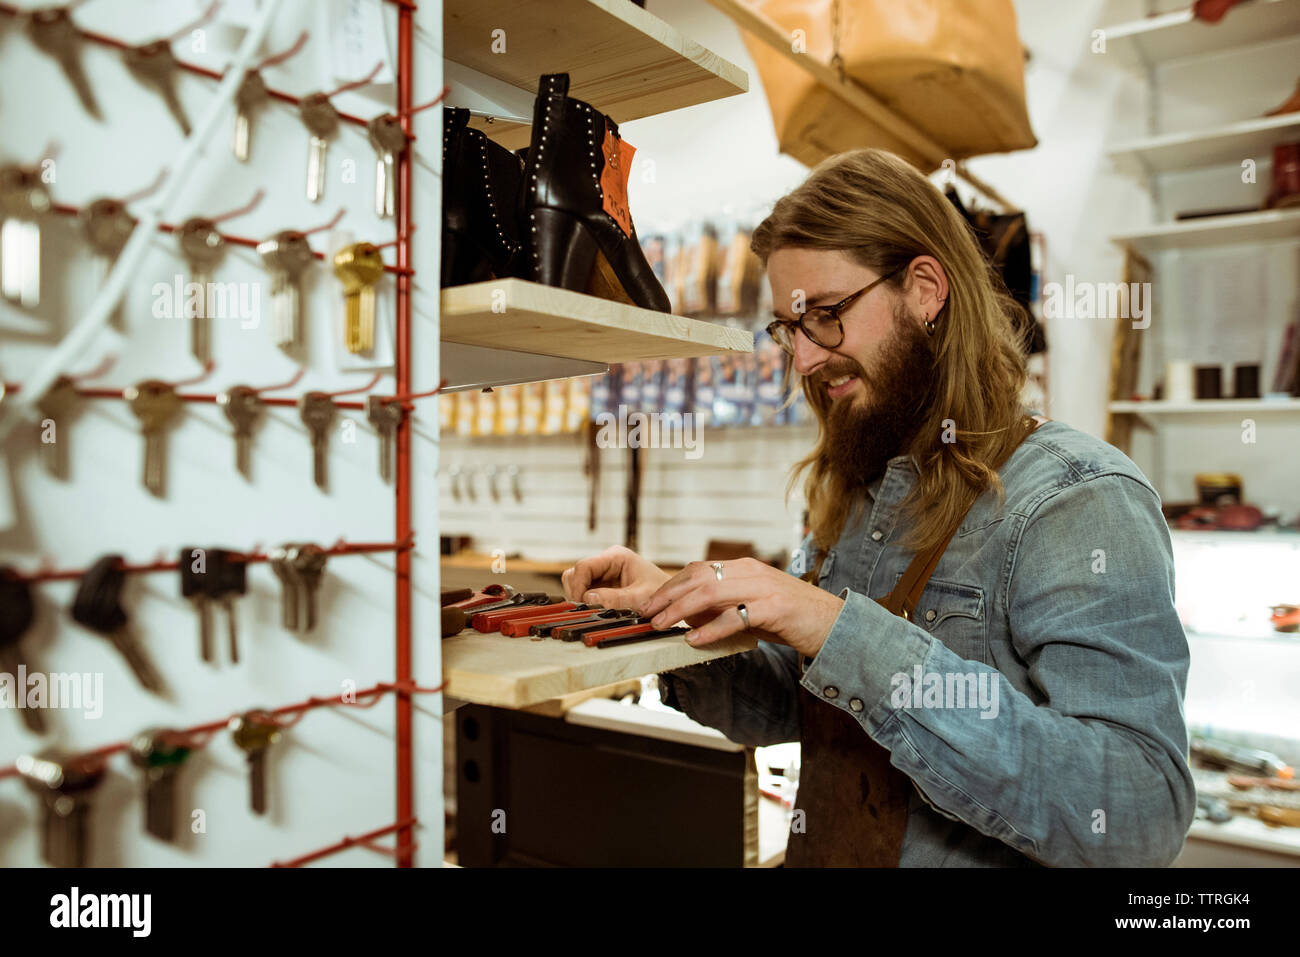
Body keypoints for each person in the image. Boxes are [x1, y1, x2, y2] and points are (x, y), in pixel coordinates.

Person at [561, 148, 1195, 868]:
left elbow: (1140, 816)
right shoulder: (860, 485)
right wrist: (671, 618)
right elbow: (794, 713)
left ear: (925, 289)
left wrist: (837, 627)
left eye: (824, 316)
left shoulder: (1076, 497)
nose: (802, 359)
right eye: (787, 329)